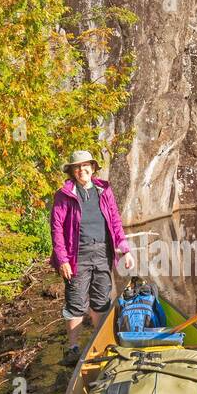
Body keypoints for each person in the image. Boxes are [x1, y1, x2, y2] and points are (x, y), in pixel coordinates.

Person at [50, 151, 134, 364]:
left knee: (100, 301)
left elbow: (115, 220)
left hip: (103, 252)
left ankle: (102, 344)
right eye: (77, 167)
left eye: (85, 165)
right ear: (72, 171)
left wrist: (125, 248)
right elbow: (56, 228)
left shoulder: (104, 190)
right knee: (76, 302)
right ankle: (73, 348)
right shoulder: (64, 194)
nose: (81, 170)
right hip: (76, 255)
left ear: (92, 167)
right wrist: (63, 260)